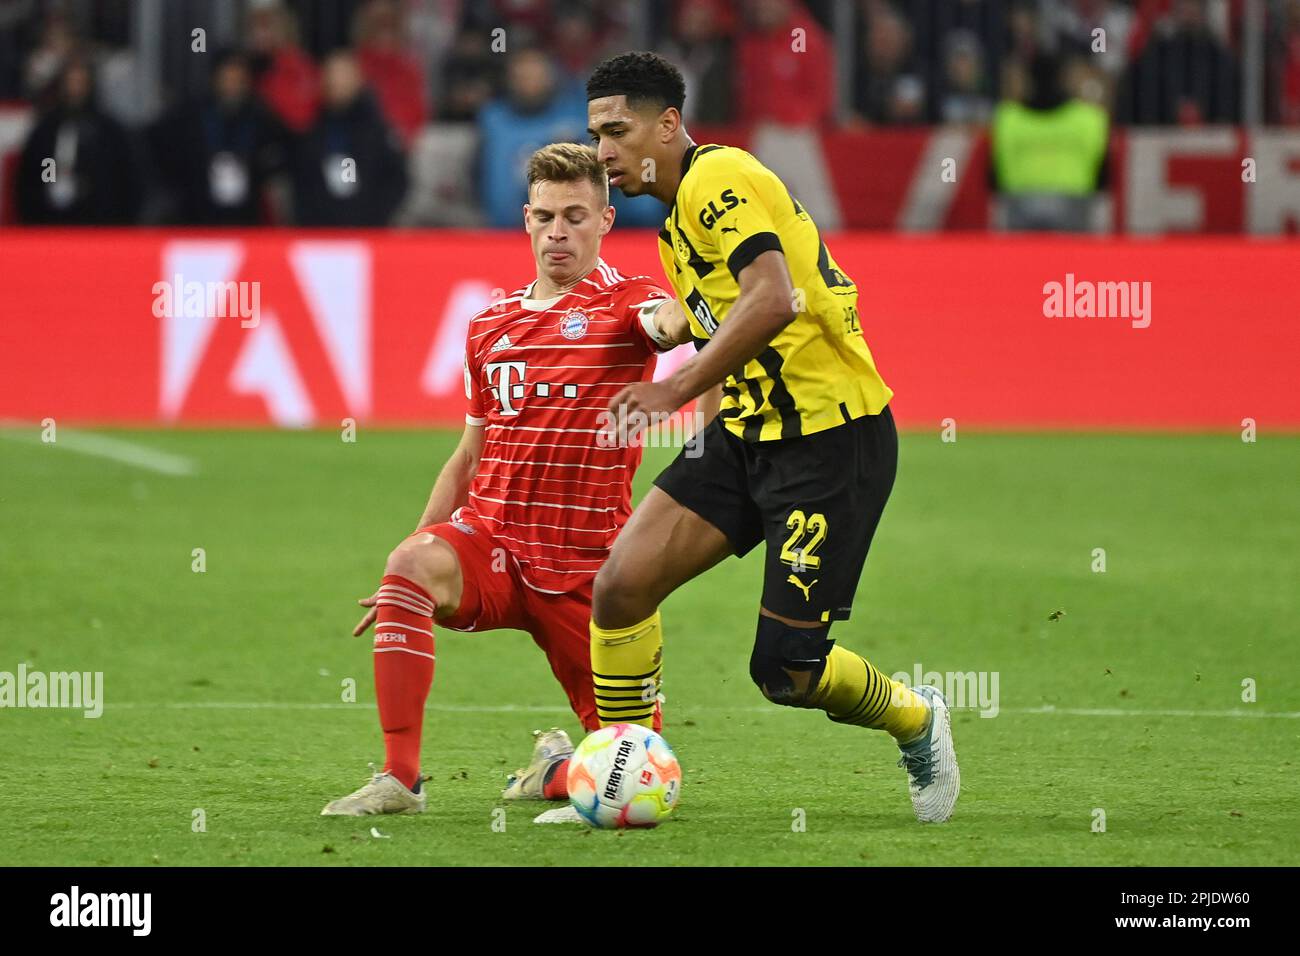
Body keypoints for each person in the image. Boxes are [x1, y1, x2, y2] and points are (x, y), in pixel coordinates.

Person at [585, 52, 959, 823]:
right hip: (749, 432)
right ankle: (619, 770)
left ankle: (917, 720)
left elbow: (774, 299)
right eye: (595, 136)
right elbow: (725, 312)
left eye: (617, 132)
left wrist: (672, 389)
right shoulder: (675, 225)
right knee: (621, 586)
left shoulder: (717, 182)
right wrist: (666, 345)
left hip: (831, 439)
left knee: (787, 670)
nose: (603, 154)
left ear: (668, 125)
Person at [321, 143, 700, 816]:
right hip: (491, 543)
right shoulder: (490, 326)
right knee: (408, 565)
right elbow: (469, 453)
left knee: (634, 772)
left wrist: (696, 308)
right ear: (526, 219)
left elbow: (668, 321)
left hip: (590, 568)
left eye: (576, 217)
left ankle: (555, 770)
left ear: (606, 222)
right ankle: (399, 781)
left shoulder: (628, 302)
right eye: (547, 216)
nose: (559, 232)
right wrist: (407, 569)